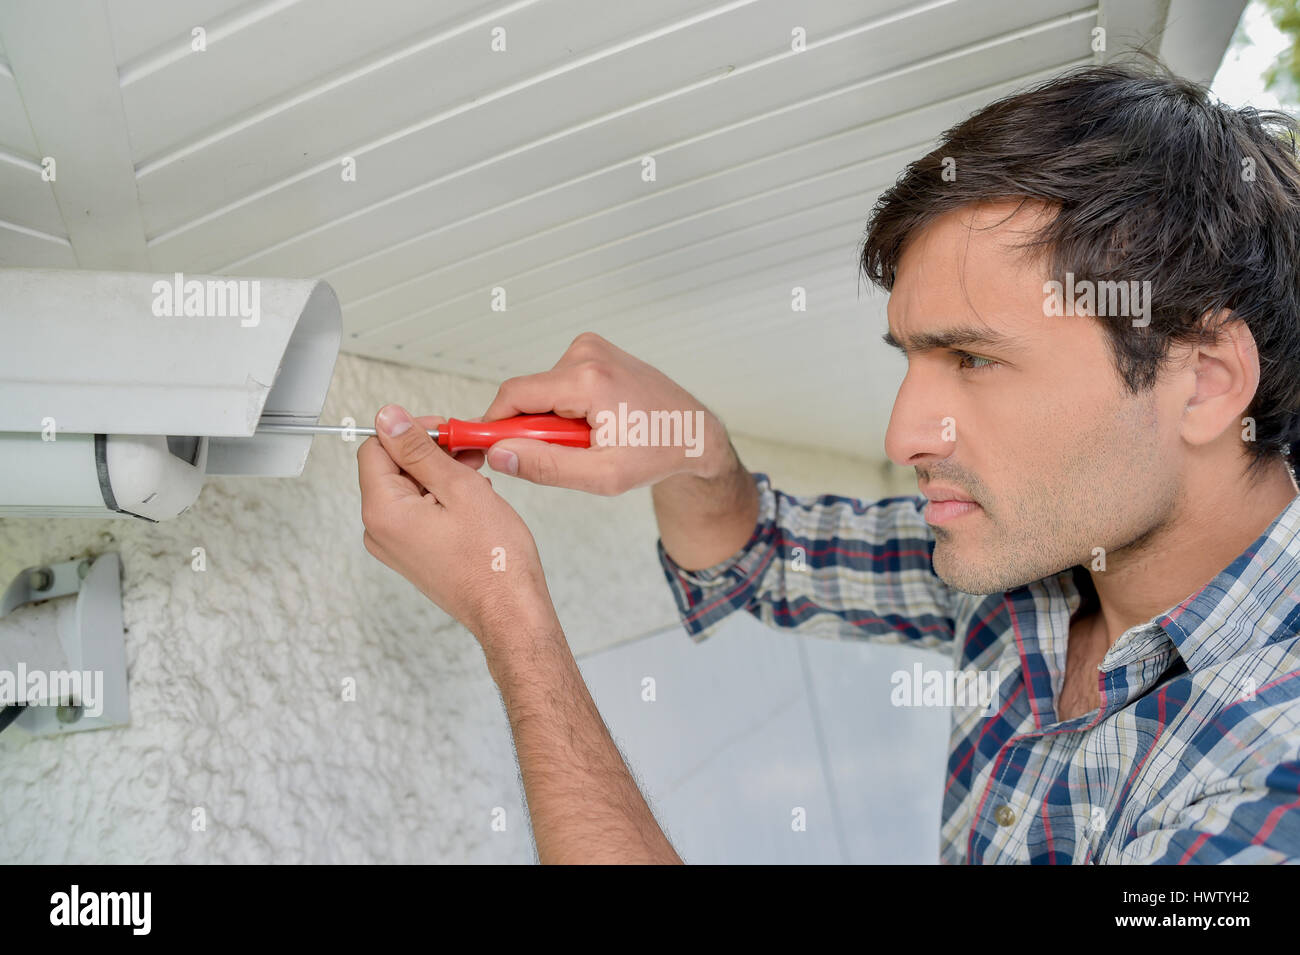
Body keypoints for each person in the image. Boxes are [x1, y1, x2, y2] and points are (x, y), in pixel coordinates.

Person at [356, 62, 1300, 864]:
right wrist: (694, 446)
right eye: (914, 360)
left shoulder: (1269, 788)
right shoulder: (1046, 555)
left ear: (1206, 383)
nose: (903, 437)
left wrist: (513, 623)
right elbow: (762, 555)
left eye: (973, 358)